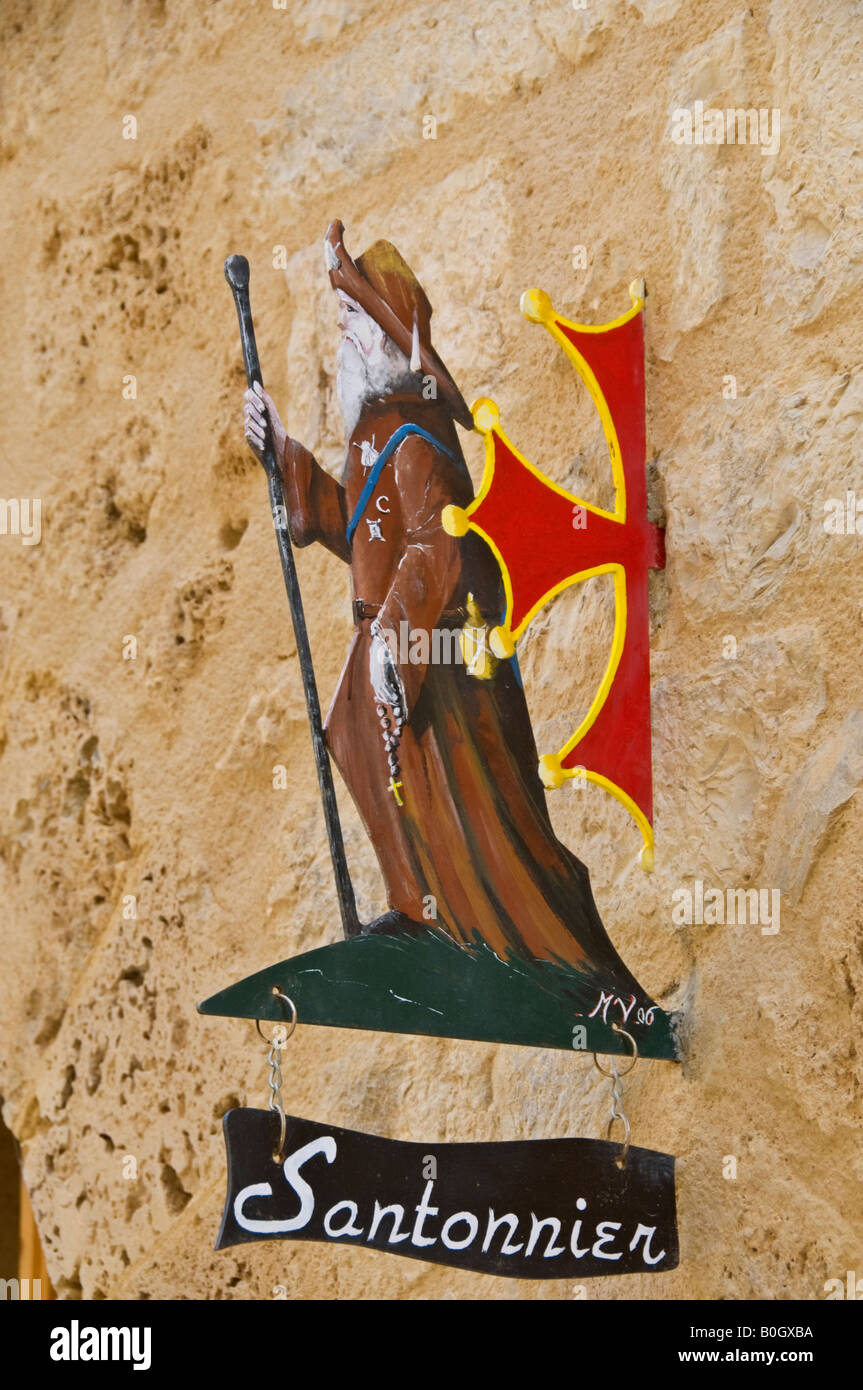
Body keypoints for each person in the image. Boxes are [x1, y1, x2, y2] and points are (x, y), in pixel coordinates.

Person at [242, 219, 645, 996]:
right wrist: (283, 449)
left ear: (393, 338)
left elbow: (440, 544)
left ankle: (519, 938)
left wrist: (395, 635)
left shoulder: (416, 435)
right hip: (386, 644)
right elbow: (345, 525)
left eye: (355, 320)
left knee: (461, 800)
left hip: (436, 653)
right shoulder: (369, 434)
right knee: (363, 745)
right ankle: (418, 907)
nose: (342, 335)